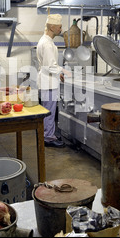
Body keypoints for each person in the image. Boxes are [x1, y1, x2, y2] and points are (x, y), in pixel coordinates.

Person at [36, 14, 71, 148]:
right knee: (49, 112)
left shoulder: (45, 41)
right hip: (48, 82)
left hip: (48, 80)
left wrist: (58, 73)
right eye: (59, 26)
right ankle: (48, 138)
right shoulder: (47, 44)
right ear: (51, 26)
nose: (61, 29)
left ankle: (47, 134)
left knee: (47, 110)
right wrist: (64, 71)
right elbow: (50, 66)